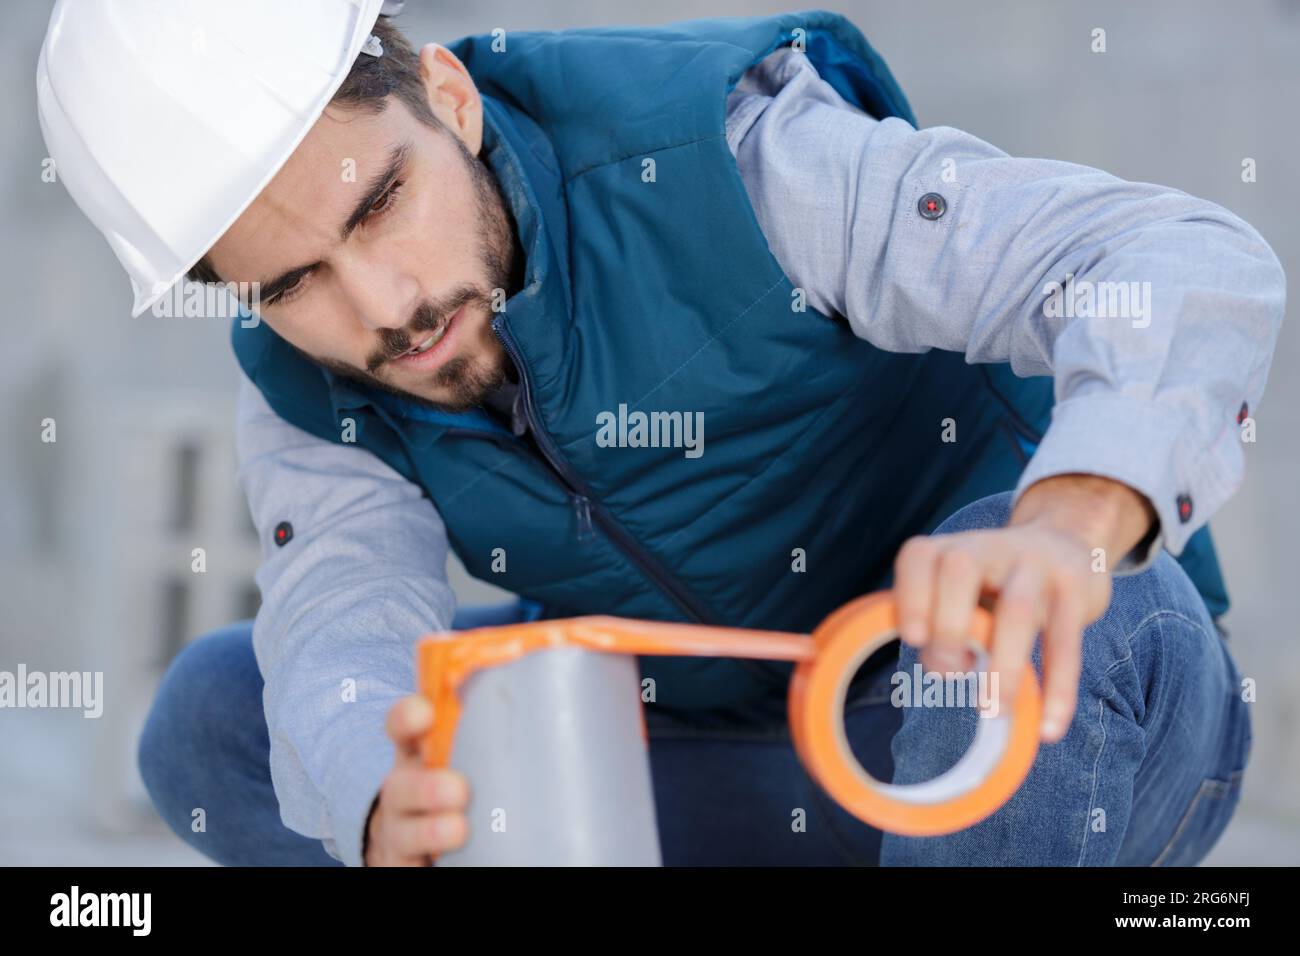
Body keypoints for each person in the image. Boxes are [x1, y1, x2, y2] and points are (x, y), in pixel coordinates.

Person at [39, 5, 1281, 866]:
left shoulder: (739, 160)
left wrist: (1068, 522)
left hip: (1018, 743)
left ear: (448, 98)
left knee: (1074, 621)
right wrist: (380, 794)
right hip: (709, 762)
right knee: (222, 714)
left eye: (378, 204)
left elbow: (1163, 257)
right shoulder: (308, 383)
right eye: (291, 282)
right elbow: (343, 618)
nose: (383, 308)